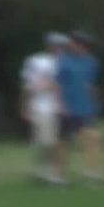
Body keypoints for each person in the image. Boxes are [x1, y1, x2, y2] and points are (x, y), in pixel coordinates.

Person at [56, 31, 104, 183]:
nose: (75, 46)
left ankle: (93, 173)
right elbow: (58, 84)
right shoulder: (63, 61)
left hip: (85, 106)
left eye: (78, 44)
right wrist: (60, 104)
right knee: (64, 142)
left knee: (92, 138)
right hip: (68, 105)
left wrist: (95, 102)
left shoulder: (91, 62)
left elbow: (91, 84)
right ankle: (61, 176)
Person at [20, 33, 67, 183]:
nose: (60, 49)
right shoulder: (37, 61)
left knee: (52, 141)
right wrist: (26, 107)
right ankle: (43, 172)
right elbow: (28, 86)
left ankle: (53, 174)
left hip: (55, 107)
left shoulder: (65, 63)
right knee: (41, 141)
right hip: (40, 106)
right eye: (57, 45)